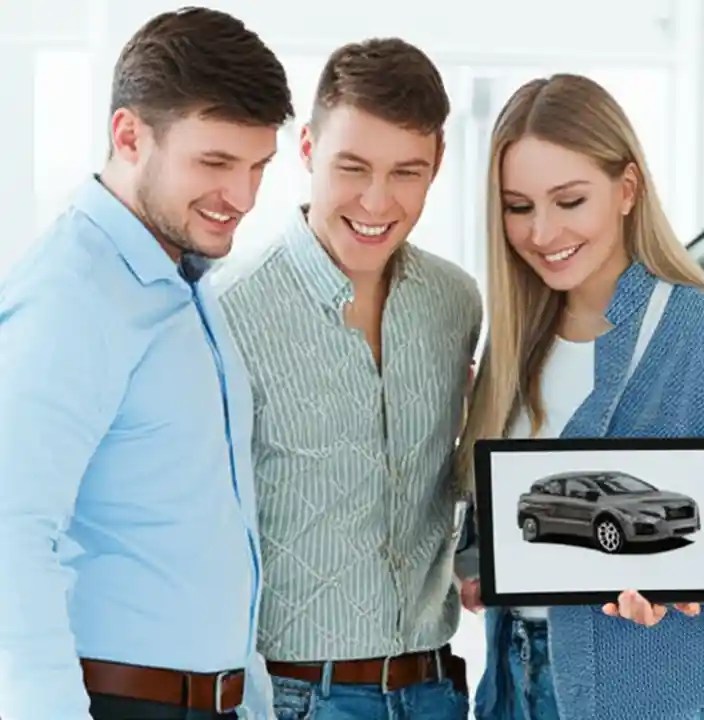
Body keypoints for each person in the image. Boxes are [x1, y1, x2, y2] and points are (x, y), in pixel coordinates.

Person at [453, 73, 704, 720]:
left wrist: (691, 585)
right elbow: (508, 504)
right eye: (519, 206)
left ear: (627, 189)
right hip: (515, 683)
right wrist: (478, 562)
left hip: (649, 697)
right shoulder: (516, 334)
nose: (542, 232)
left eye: (569, 200)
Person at [0, 7, 293, 720]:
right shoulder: (71, 296)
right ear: (129, 136)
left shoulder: (184, 281)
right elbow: (10, 531)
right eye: (215, 163)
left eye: (258, 167)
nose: (244, 198)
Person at [211, 37, 481, 720]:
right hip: (294, 696)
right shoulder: (229, 311)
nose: (376, 200)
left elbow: (454, 477)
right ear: (305, 149)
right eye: (351, 166)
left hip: (436, 690)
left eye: (406, 172)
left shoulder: (457, 304)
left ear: (438, 164)